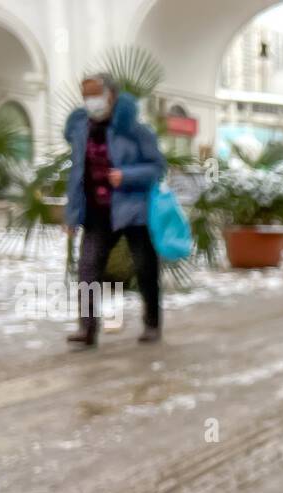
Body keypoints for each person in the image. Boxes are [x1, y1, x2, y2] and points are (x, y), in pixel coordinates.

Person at [64, 73, 167, 348]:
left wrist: (128, 175)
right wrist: (72, 216)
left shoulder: (134, 130)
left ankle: (152, 323)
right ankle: (87, 329)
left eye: (95, 93)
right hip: (96, 213)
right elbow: (76, 176)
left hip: (133, 211)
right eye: (86, 95)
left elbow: (157, 167)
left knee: (145, 268)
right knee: (87, 270)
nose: (90, 100)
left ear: (111, 95)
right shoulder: (81, 130)